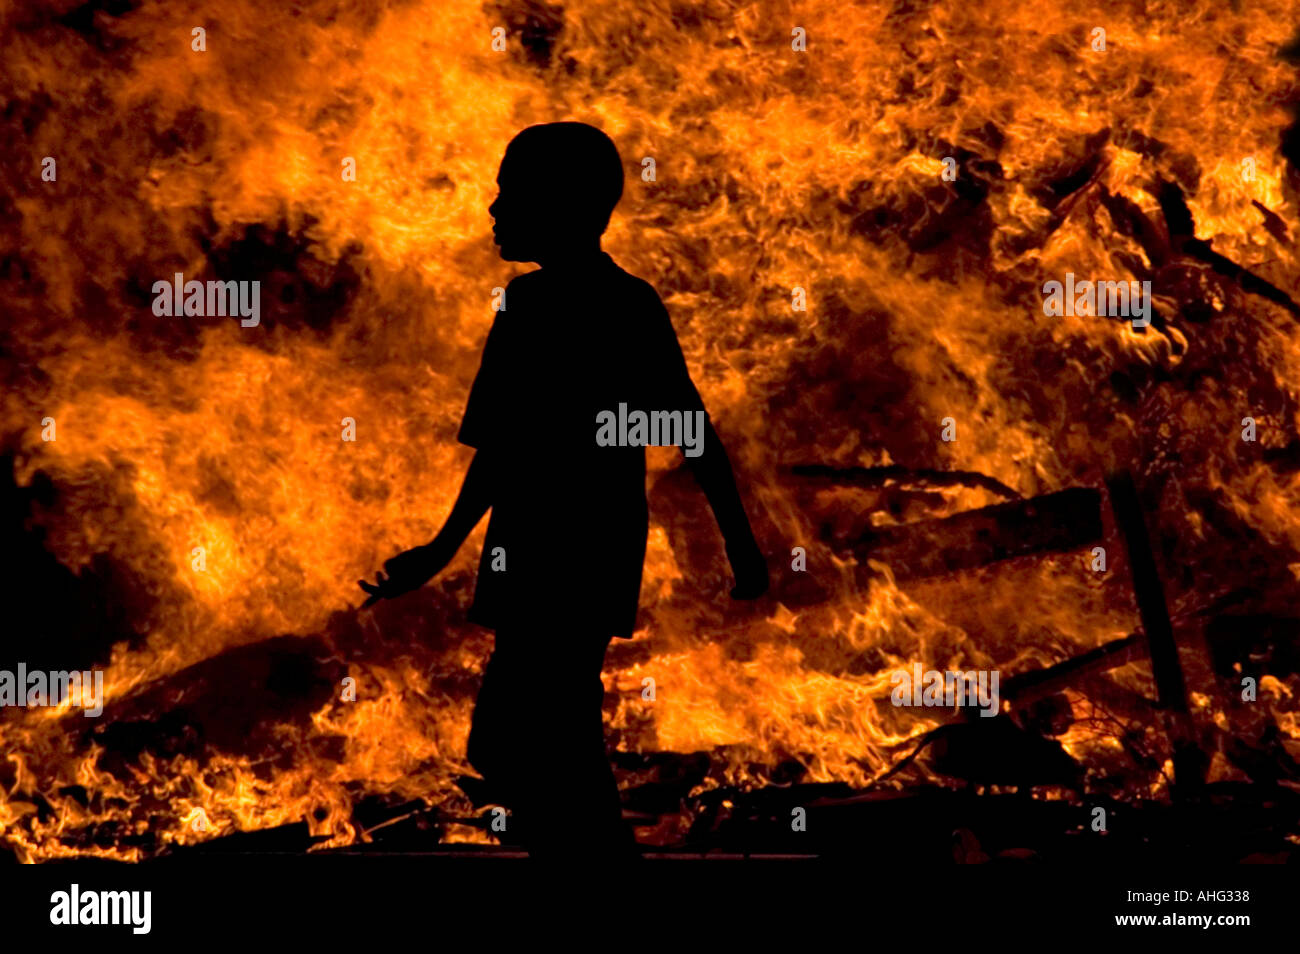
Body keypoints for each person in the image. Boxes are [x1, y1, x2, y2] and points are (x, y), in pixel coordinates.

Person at [359, 121, 768, 858]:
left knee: (529, 737)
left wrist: (742, 549)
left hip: (578, 549)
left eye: (509, 190)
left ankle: (593, 862)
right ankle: (584, 857)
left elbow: (688, 428)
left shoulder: (614, 306)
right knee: (537, 736)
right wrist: (439, 550)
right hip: (536, 546)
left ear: (561, 203)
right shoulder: (533, 304)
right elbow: (504, 449)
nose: (494, 208)